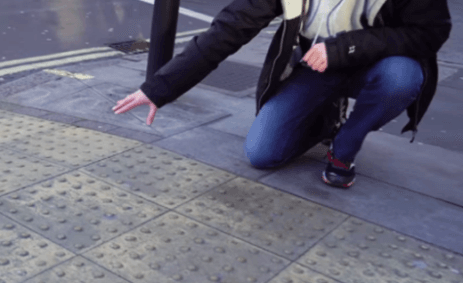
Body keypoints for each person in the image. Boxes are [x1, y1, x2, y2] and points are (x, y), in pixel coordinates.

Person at [113, 0, 451, 188]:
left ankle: (345, 147)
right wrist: (159, 88)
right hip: (314, 67)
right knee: (262, 153)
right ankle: (327, 118)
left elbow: (431, 32)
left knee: (402, 78)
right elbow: (231, 26)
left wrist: (345, 48)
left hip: (376, 66)